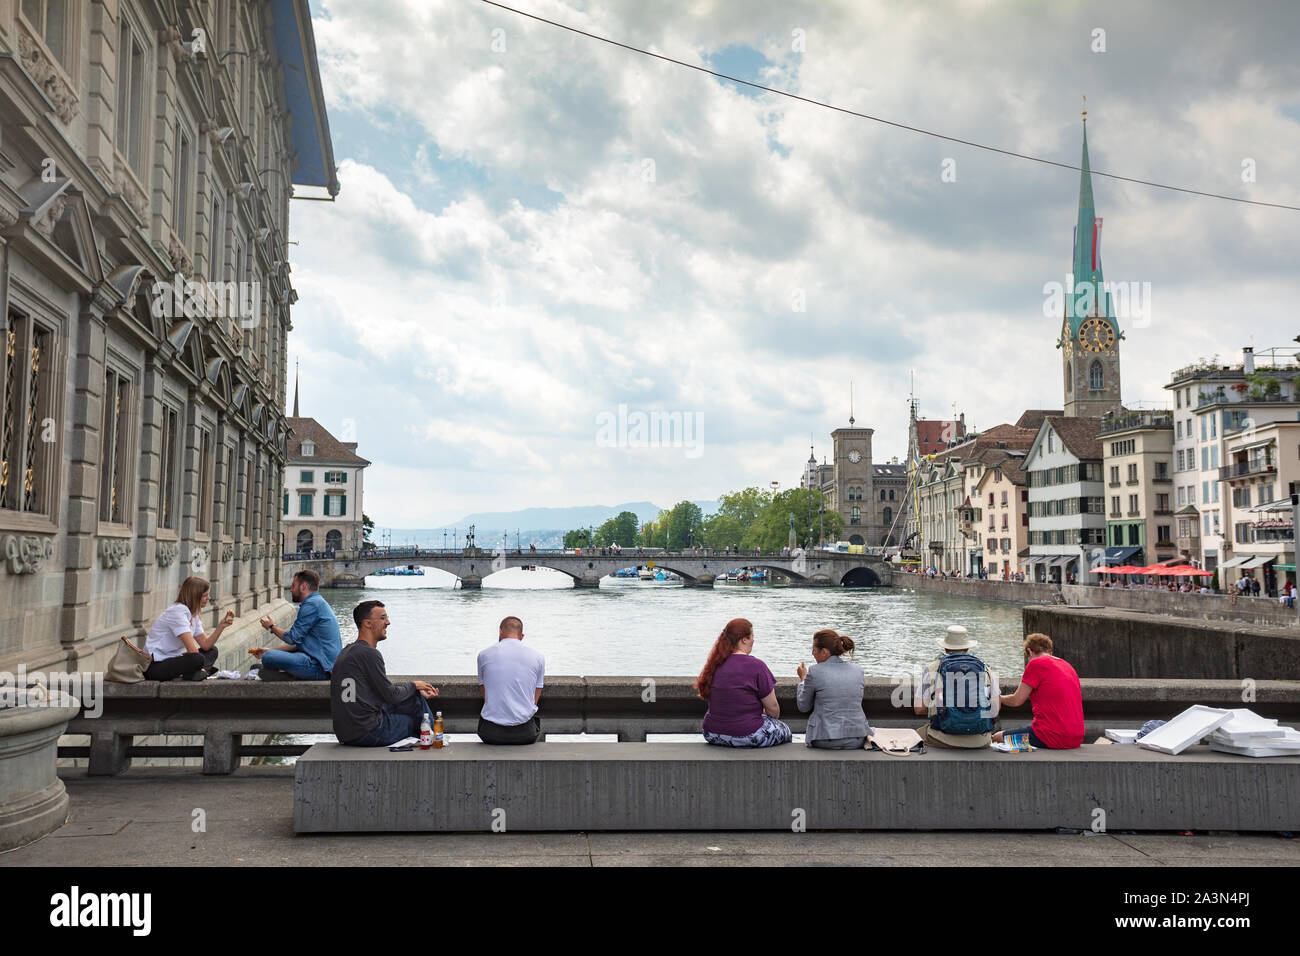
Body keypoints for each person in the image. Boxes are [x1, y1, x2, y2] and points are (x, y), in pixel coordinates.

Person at [330, 600, 439, 746]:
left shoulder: (347, 652)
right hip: (367, 732)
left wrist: (414, 691)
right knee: (412, 720)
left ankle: (428, 737)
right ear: (367, 623)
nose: (388, 622)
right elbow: (391, 695)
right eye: (382, 618)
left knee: (414, 698)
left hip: (346, 732)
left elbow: (377, 694)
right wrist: (414, 685)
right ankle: (433, 741)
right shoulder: (369, 653)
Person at [696, 618, 792, 747]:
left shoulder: (715, 664)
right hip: (746, 734)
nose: (753, 640)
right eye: (752, 636)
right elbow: (773, 710)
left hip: (712, 733)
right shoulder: (757, 666)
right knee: (784, 730)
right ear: (744, 639)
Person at [912, 625, 1000, 748]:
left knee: (914, 736)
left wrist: (943, 709)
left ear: (945, 648)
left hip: (942, 737)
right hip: (980, 740)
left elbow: (919, 708)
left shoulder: (932, 668)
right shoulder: (985, 669)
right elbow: (995, 710)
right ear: (968, 647)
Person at [992, 632, 1085, 749]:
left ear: (1030, 652)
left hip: (1049, 737)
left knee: (998, 737)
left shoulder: (1035, 664)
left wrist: (999, 698)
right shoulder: (1067, 666)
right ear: (1049, 651)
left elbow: (1017, 700)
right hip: (1076, 738)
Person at [249, 569, 341, 680]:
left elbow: (291, 638)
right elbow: (297, 644)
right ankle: (288, 674)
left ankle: (290, 676)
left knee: (268, 657)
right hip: (322, 664)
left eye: (293, 586)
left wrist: (271, 627)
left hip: (321, 668)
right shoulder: (317, 602)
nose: (291, 590)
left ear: (303, 587)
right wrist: (268, 649)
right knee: (269, 654)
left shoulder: (312, 605)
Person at [143, 576, 235, 681]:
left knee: (212, 650)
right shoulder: (178, 612)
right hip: (155, 665)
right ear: (194, 596)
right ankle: (200, 672)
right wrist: (200, 665)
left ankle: (197, 673)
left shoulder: (193, 614)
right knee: (197, 659)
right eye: (205, 595)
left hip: (172, 659)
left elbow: (205, 645)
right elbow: (192, 651)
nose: (208, 598)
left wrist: (221, 627)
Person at [796, 629, 871, 749]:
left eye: (814, 649)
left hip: (824, 738)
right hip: (856, 739)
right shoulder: (858, 670)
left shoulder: (815, 671)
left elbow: (803, 706)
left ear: (824, 652)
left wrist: (803, 679)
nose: (812, 653)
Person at [476, 616, 546, 744]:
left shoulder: (483, 655)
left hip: (491, 733)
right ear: (522, 636)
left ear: (500, 631)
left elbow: (484, 690)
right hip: (525, 733)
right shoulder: (538, 657)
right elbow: (534, 698)